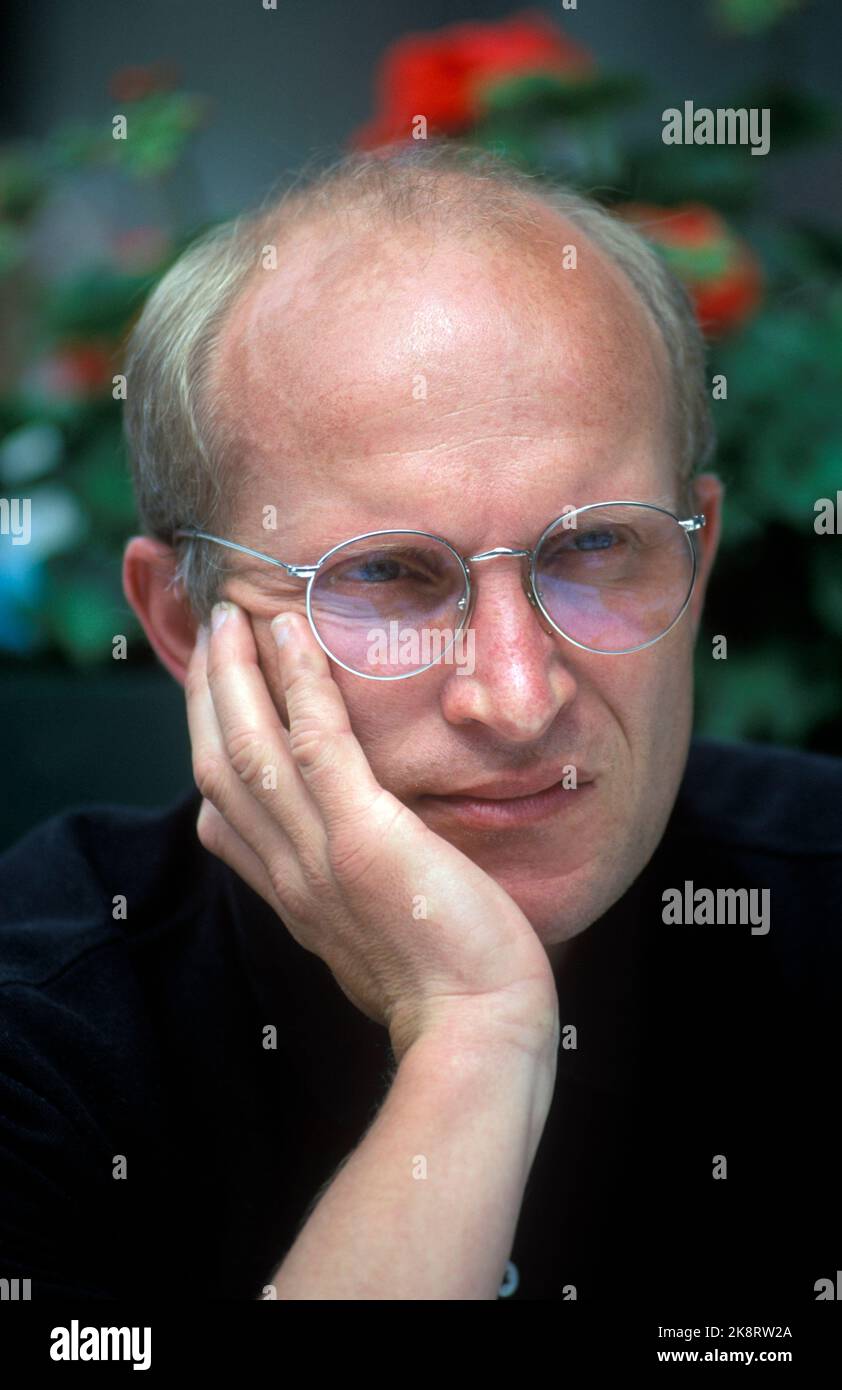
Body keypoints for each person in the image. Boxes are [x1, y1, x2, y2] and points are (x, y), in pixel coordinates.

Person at [1, 141, 839, 1305]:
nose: (517, 694)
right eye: (388, 573)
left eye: (594, 546)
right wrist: (473, 1040)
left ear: (694, 560)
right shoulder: (43, 1036)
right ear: (184, 623)